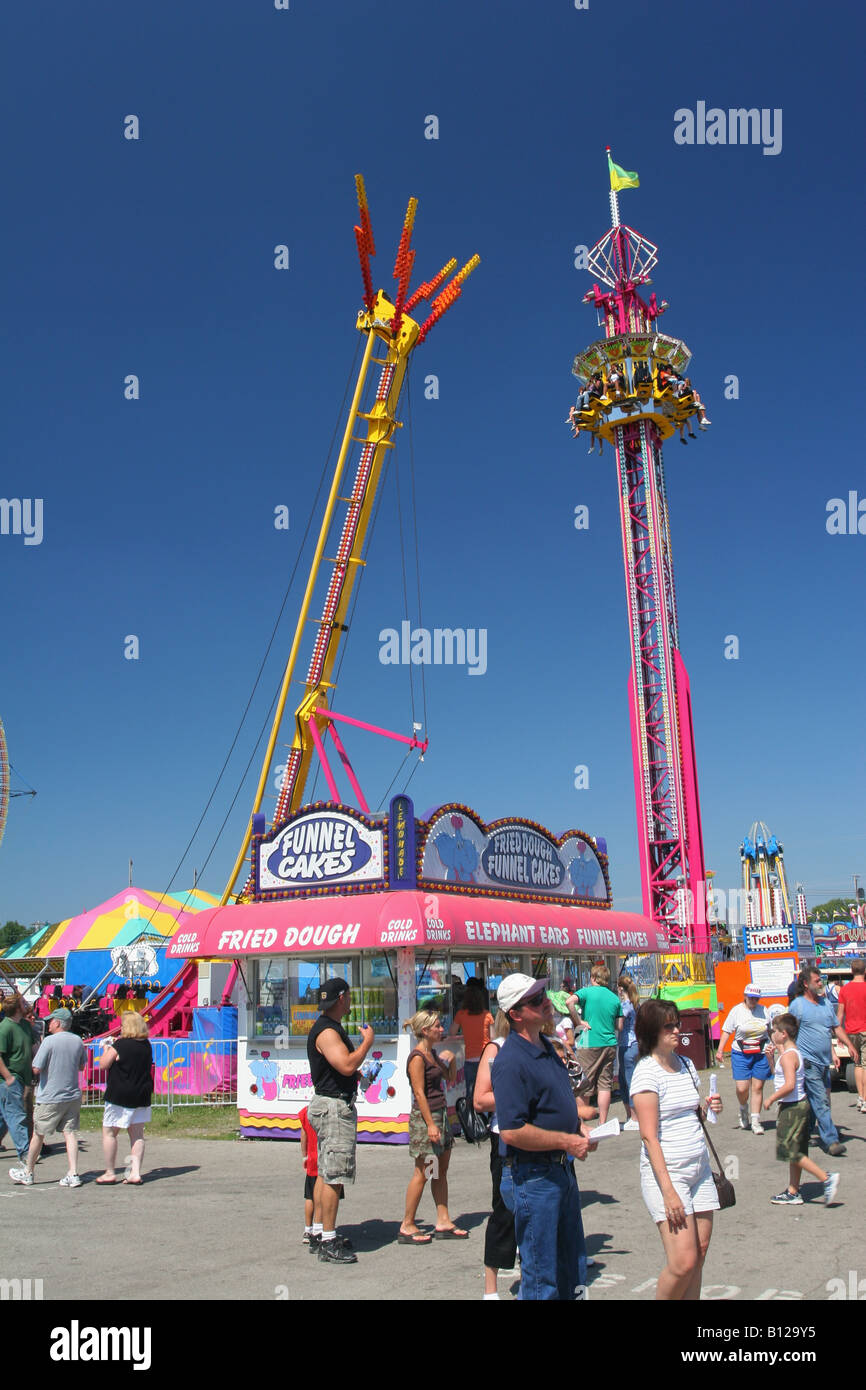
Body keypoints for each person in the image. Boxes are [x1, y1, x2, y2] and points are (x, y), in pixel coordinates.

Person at [492, 973, 594, 1301]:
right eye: (536, 1000)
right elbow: (512, 1130)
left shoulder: (548, 1047)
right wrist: (566, 1141)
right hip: (534, 1176)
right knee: (541, 1278)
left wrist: (578, 1130)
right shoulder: (510, 1060)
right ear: (516, 1014)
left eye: (543, 995)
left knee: (572, 1267)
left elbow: (554, 1103)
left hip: (559, 1171)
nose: (547, 1002)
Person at [630, 998, 723, 1301]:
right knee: (683, 1262)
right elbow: (649, 1137)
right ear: (651, 1032)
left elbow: (693, 1113)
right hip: (669, 1174)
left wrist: (709, 1107)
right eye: (668, 1025)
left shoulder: (684, 1064)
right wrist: (668, 1191)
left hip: (699, 1167)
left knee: (700, 1252)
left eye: (676, 1023)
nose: (676, 1030)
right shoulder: (646, 1074)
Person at [306, 976, 374, 1264]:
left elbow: (340, 1068)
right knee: (334, 1175)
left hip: (331, 1103)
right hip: (334, 1108)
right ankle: (329, 1240)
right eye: (348, 997)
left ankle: (321, 1232)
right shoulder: (327, 1031)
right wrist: (367, 1044)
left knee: (325, 1172)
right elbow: (345, 1064)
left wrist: (357, 1075)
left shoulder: (329, 1027)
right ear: (343, 998)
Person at [399, 1010, 465, 1244]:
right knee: (424, 1171)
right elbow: (419, 1092)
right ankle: (407, 1223)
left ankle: (443, 1219)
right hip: (426, 1118)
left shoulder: (432, 1054)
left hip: (440, 1114)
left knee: (440, 1170)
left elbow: (448, 1077)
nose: (441, 1029)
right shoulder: (417, 1057)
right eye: (436, 1026)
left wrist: (453, 1059)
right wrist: (429, 1125)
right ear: (425, 1030)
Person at [762, 1013, 839, 1206]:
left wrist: (771, 1098)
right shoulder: (790, 1054)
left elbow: (788, 1085)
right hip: (796, 1105)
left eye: (775, 1031)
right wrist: (771, 1059)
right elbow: (778, 1076)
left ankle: (826, 1178)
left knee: (791, 1151)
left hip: (793, 1107)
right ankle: (793, 1191)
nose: (772, 1033)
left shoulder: (789, 1057)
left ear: (784, 1034)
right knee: (795, 1151)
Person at [9, 1007, 86, 1188]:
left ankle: (28, 1171)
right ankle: (73, 1172)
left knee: (38, 1133)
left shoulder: (49, 1042)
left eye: (51, 1020)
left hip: (50, 1095)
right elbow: (82, 1066)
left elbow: (36, 1068)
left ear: (58, 1022)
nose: (49, 1023)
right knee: (70, 1133)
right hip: (72, 1094)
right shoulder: (77, 1041)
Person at [789, 966, 857, 1156]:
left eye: (821, 980)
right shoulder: (798, 1006)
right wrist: (790, 1058)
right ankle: (831, 1140)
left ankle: (805, 1132)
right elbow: (789, 1033)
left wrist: (848, 1046)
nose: (821, 984)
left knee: (813, 1101)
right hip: (808, 1062)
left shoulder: (826, 1004)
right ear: (805, 984)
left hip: (824, 1061)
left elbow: (835, 1028)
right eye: (817, 981)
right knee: (821, 1100)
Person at [474, 1011, 517, 1299]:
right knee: (504, 1211)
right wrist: (519, 1094)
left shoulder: (542, 1045)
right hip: (505, 1139)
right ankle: (491, 1289)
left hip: (540, 1138)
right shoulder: (497, 1047)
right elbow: (480, 1099)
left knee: (536, 1210)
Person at [96, 1010, 154, 1185]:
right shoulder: (146, 1044)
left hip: (120, 1094)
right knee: (137, 1134)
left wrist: (106, 1048)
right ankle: (135, 1172)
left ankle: (110, 1172)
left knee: (110, 1132)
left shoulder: (121, 1045)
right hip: (141, 1093)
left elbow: (103, 1064)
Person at [718, 984, 772, 1133]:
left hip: (760, 1052)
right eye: (751, 998)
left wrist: (777, 1047)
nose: (753, 1000)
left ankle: (755, 1121)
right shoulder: (736, 1011)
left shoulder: (764, 1011)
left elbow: (771, 1031)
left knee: (758, 1087)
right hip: (741, 1053)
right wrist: (720, 1050)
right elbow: (727, 1031)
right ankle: (743, 1108)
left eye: (756, 998)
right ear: (745, 996)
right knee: (742, 1088)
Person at [575, 964, 623, 1125]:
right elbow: (619, 1026)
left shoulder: (586, 992)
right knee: (605, 1084)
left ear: (593, 978)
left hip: (588, 1041)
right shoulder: (614, 998)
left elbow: (569, 1001)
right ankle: (603, 1123)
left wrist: (579, 1021)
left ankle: (582, 1122)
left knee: (584, 1084)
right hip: (609, 1042)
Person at [0, 993, 34, 1169]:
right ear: (16, 1007)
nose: (25, 1004)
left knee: (4, 1117)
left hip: (25, 1077)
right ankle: (25, 1153)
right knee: (17, 1115)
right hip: (10, 1079)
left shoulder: (25, 1026)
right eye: (22, 1002)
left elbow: (34, 1046)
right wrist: (8, 1077)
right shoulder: (4, 1028)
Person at [447, 977, 493, 1106]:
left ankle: (472, 1122)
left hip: (470, 1059)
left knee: (471, 1094)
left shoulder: (461, 1014)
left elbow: (452, 1032)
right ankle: (487, 1121)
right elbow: (493, 1037)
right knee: (488, 1092)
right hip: (486, 1059)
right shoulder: (487, 1015)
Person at [837, 959, 866, 1113]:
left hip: (851, 1031)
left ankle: (861, 1098)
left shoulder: (845, 990)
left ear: (851, 971)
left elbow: (840, 1015)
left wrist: (841, 1037)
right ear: (865, 971)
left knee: (858, 1064)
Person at [617, 975, 641, 1130]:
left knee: (628, 1081)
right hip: (635, 1043)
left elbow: (619, 1026)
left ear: (620, 989)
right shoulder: (636, 1004)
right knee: (624, 1079)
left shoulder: (625, 1005)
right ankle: (630, 1115)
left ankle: (634, 1116)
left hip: (627, 1044)